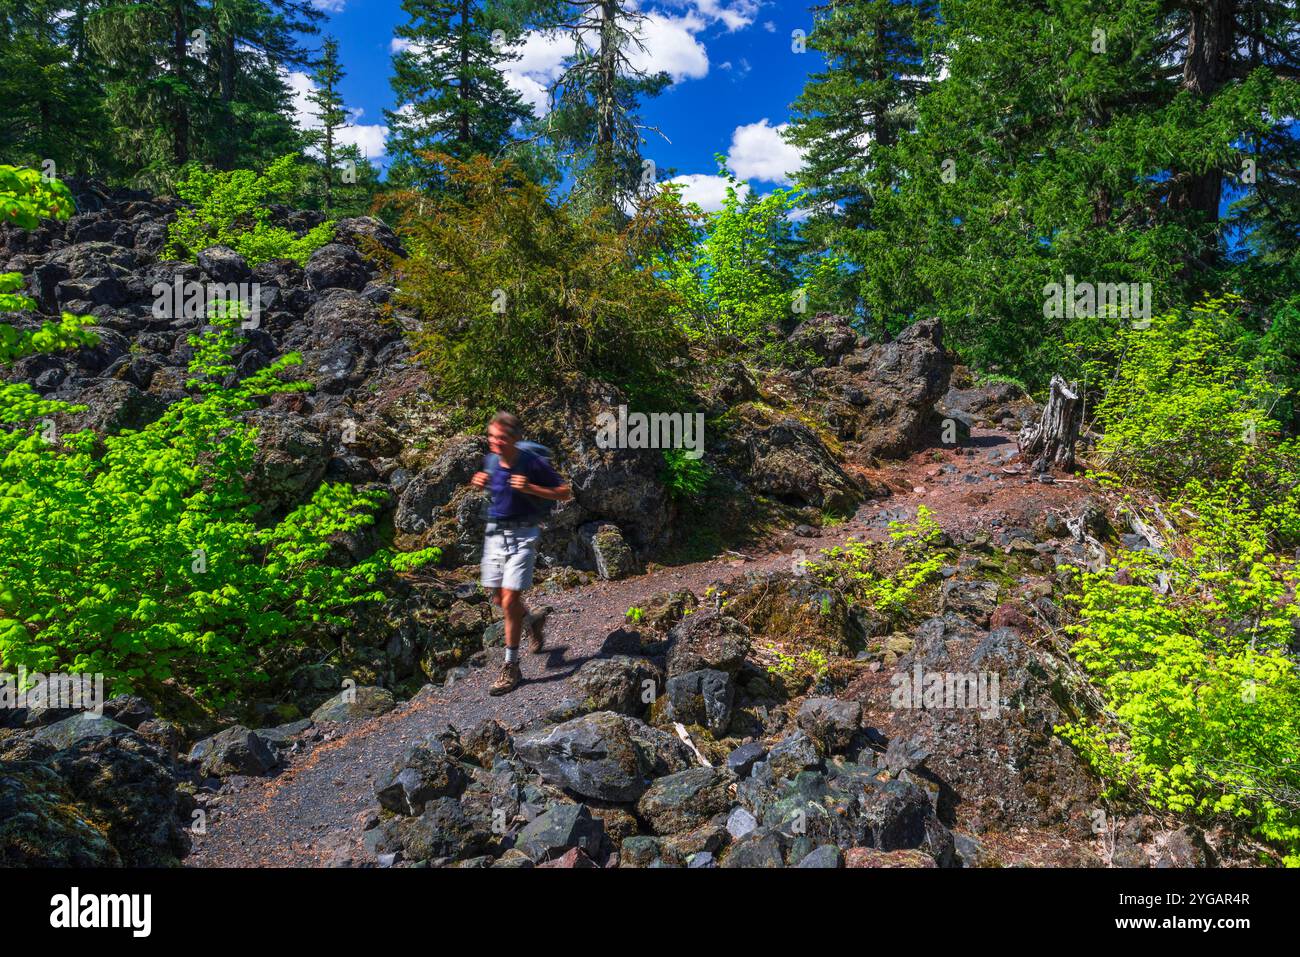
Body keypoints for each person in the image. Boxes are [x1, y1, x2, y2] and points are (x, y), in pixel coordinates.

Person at [470, 411, 572, 696]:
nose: (495, 442)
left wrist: (531, 487)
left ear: (515, 439)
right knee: (498, 597)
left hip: (523, 535)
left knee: (511, 596)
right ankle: (532, 621)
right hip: (494, 534)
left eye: (501, 438)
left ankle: (511, 666)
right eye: (491, 436)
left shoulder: (532, 463)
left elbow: (564, 491)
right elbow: (499, 490)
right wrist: (482, 482)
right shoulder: (491, 460)